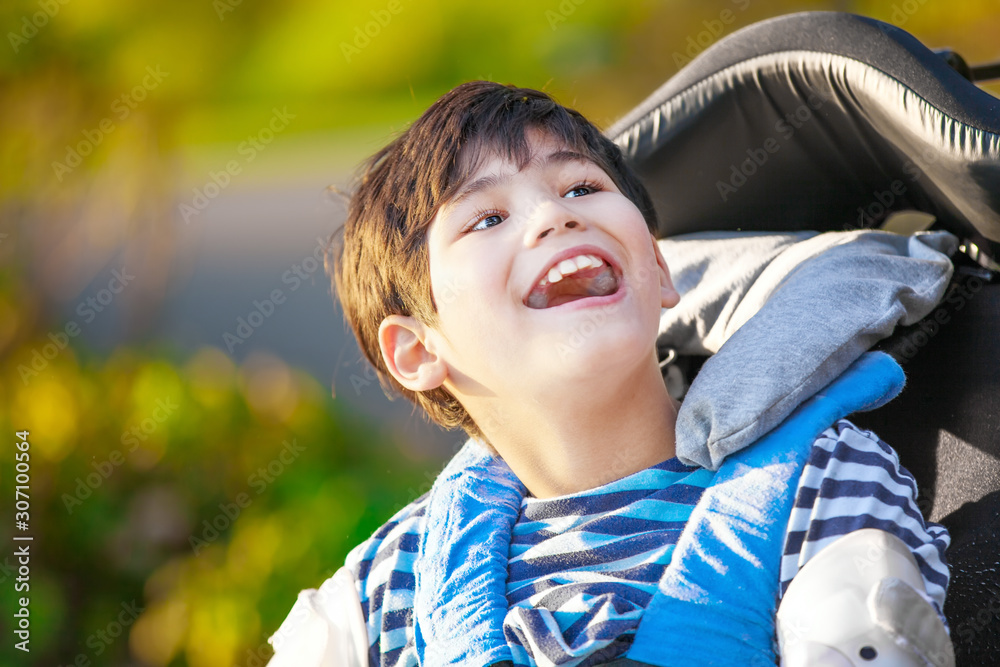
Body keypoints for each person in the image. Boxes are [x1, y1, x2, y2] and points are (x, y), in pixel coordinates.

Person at [267, 81, 953, 667]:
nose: (555, 215)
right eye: (489, 217)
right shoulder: (387, 589)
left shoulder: (818, 482)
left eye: (581, 186)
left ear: (658, 270)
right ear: (418, 350)